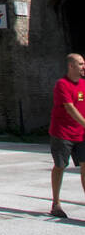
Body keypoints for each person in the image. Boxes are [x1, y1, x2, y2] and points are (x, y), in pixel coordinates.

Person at [48, 51, 85, 218]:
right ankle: (56, 203)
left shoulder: (83, 85)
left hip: (81, 134)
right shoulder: (62, 84)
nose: (84, 67)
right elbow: (70, 108)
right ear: (71, 66)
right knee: (60, 166)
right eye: (81, 64)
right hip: (62, 133)